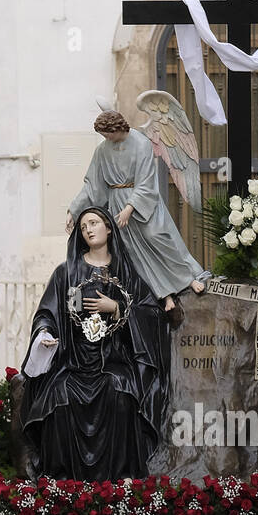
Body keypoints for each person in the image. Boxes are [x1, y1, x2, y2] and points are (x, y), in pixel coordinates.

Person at [21, 205, 170, 481]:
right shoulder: (66, 273)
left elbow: (151, 313)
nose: (88, 229)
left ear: (109, 228)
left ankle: (121, 477)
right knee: (59, 395)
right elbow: (47, 313)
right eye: (83, 227)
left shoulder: (126, 271)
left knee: (120, 391)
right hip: (73, 363)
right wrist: (45, 333)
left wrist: (116, 307)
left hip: (114, 362)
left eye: (93, 223)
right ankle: (61, 480)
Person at [67, 110, 207, 320]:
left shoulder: (141, 143)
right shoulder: (102, 150)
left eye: (108, 133)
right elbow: (92, 185)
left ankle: (187, 278)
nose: (106, 138)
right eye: (103, 135)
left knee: (157, 238)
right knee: (135, 254)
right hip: (117, 205)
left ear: (117, 127)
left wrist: (130, 208)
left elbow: (146, 181)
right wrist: (73, 210)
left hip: (141, 205)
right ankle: (165, 295)